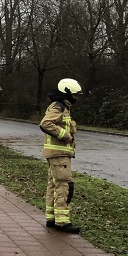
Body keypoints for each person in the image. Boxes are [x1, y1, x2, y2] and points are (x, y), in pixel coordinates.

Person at [40, 78, 83, 233]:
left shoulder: (62, 106)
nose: (76, 97)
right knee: (63, 186)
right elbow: (45, 123)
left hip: (58, 153)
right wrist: (65, 135)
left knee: (54, 185)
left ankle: (52, 218)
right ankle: (62, 222)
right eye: (75, 94)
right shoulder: (58, 107)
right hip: (59, 154)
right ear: (67, 92)